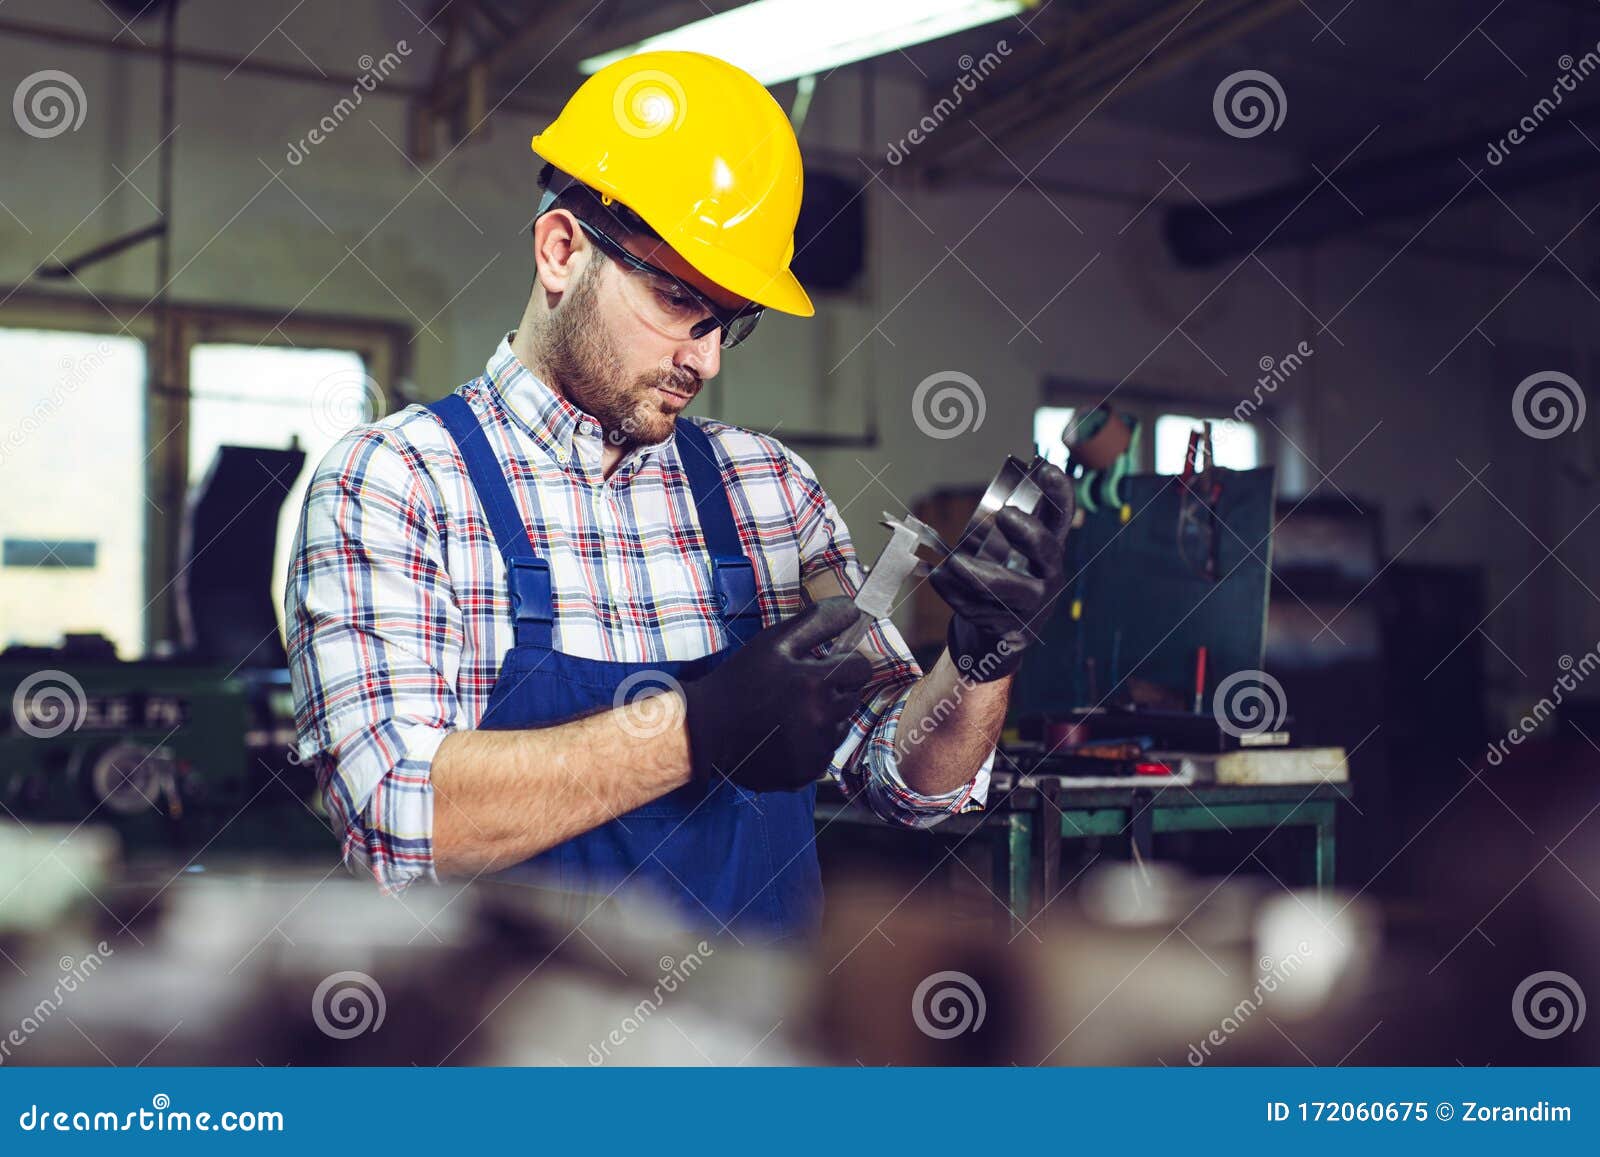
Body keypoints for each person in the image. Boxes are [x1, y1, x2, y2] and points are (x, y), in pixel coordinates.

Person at [286, 50, 1072, 941]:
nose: (704, 359)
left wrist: (976, 665)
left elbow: (907, 785)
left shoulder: (769, 490)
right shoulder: (397, 482)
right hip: (519, 1024)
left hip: (757, 1022)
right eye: (674, 300)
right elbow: (394, 823)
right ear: (561, 251)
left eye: (728, 321)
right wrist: (699, 730)